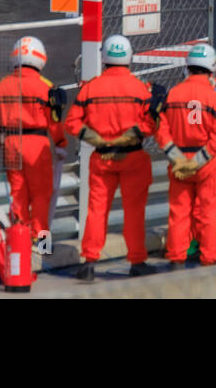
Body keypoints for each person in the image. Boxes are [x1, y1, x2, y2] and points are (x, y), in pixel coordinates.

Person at [64, 35, 160, 281]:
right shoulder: (140, 89)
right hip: (133, 158)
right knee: (134, 212)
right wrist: (126, 138)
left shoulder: (91, 88)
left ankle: (89, 263)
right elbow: (151, 124)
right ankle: (137, 262)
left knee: (97, 211)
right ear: (129, 57)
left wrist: (98, 140)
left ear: (105, 57)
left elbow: (73, 122)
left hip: (102, 159)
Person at [154, 44, 216, 269]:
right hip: (206, 162)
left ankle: (176, 258)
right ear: (212, 68)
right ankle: (209, 257)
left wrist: (177, 157)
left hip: (179, 162)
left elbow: (161, 130)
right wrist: (198, 160)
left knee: (179, 212)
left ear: (188, 67)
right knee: (210, 213)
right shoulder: (215, 97)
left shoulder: (173, 93)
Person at [0, 36, 67, 244]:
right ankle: (42, 246)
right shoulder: (46, 87)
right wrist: (60, 142)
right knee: (41, 196)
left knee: (17, 194)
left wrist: (2, 142)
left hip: (11, 145)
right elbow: (54, 121)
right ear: (40, 59)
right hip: (37, 144)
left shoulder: (1, 86)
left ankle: (19, 244)